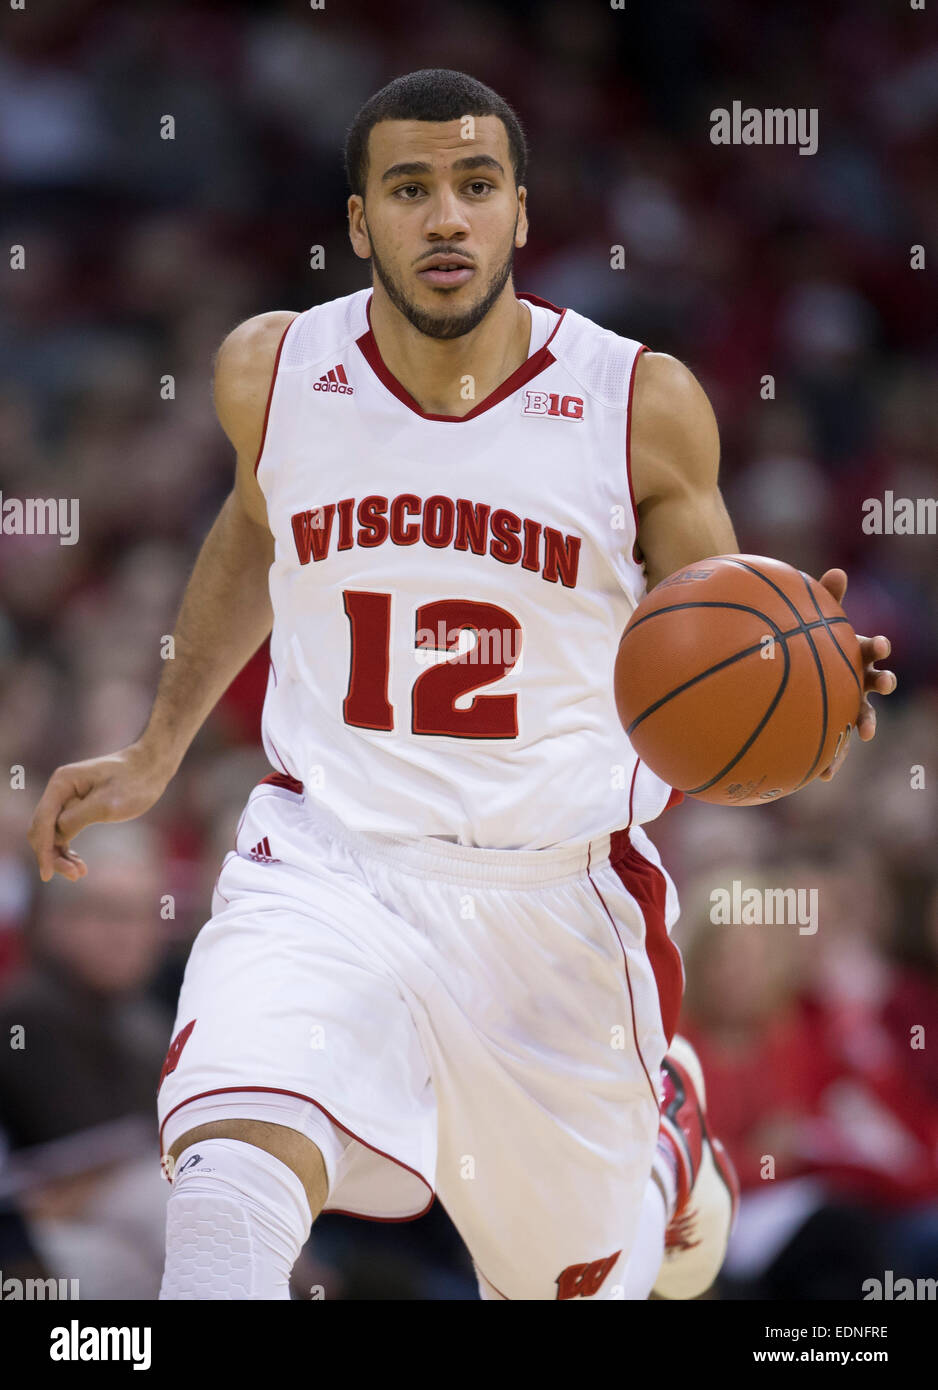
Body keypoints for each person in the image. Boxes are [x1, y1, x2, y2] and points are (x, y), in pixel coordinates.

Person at [27, 69, 896, 1301]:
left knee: (573, 1281)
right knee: (221, 1191)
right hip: (326, 862)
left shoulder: (635, 406)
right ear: (358, 220)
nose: (445, 217)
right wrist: (159, 748)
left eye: (475, 185)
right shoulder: (269, 370)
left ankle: (660, 1150)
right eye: (411, 188)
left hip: (552, 901)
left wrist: (807, 679)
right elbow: (254, 528)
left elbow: (729, 655)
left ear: (520, 214)